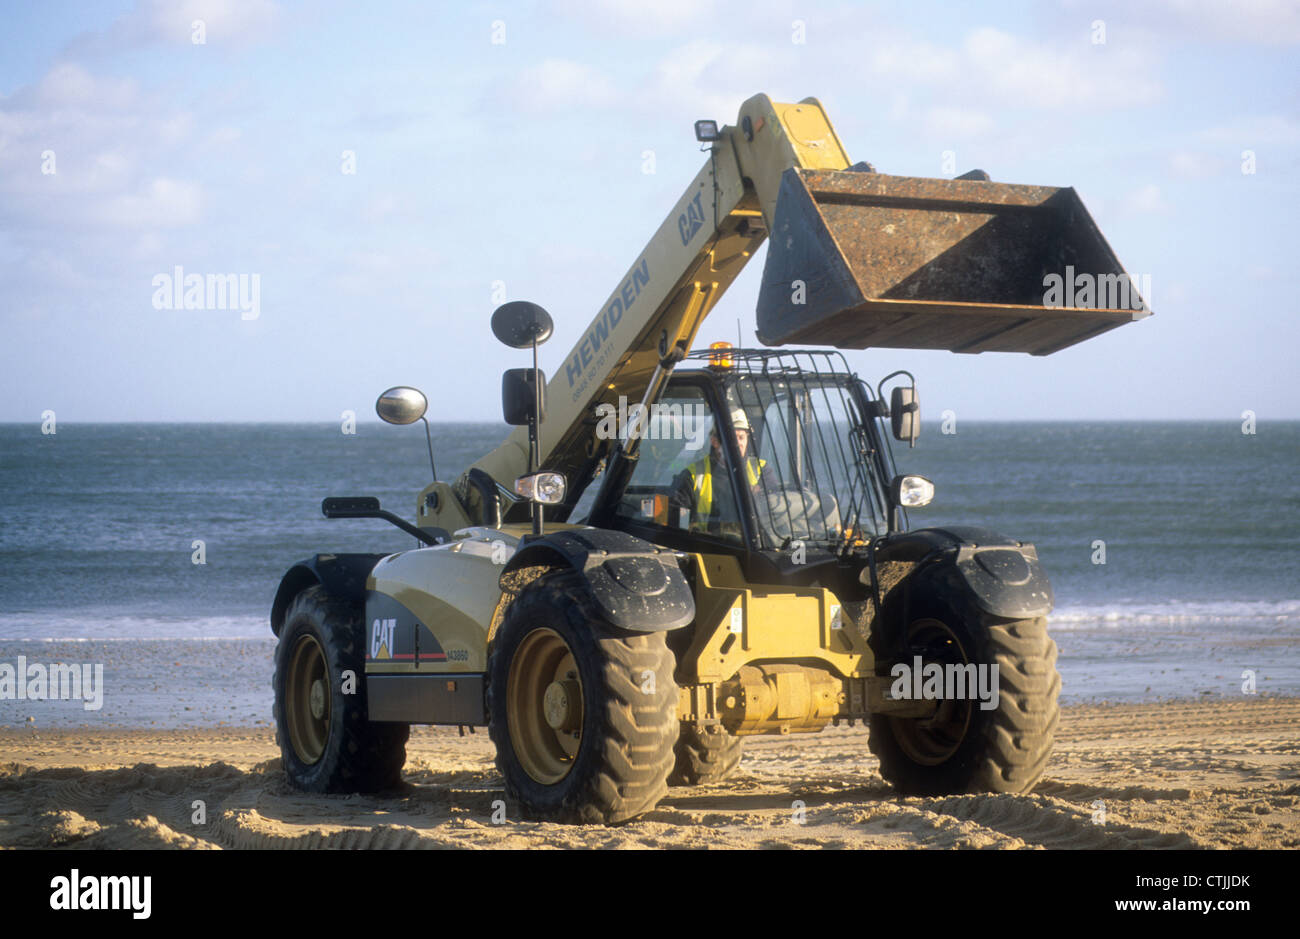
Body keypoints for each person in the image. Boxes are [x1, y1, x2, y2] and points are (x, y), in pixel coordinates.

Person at [672, 407, 765, 536]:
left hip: (753, 544)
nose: (739, 444)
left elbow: (774, 511)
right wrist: (696, 534)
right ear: (714, 441)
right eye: (732, 438)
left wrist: (757, 497)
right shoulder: (692, 475)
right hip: (709, 545)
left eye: (741, 437)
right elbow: (677, 521)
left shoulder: (762, 471)